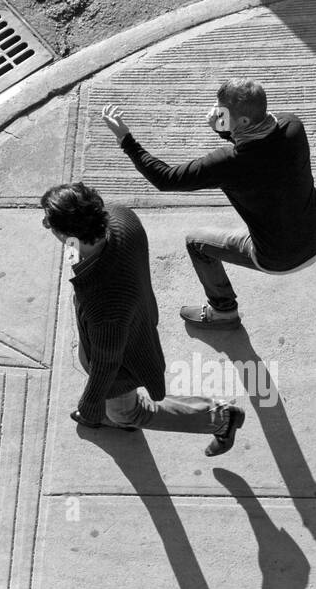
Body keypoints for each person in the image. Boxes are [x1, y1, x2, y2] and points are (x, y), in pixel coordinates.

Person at [100, 78, 316, 331]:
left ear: (242, 122)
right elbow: (260, 150)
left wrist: (125, 138)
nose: (213, 112)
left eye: (221, 112)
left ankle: (223, 311)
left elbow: (165, 179)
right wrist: (223, 127)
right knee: (294, 201)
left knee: (196, 242)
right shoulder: (293, 127)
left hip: (277, 258)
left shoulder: (226, 165)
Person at [41, 182, 245, 455]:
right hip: (134, 314)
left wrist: (91, 404)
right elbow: (77, 257)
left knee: (127, 414)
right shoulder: (121, 217)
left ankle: (220, 418)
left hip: (123, 356)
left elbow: (107, 363)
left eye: (48, 223)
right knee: (117, 405)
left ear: (66, 232)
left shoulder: (103, 301)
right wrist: (75, 261)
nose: (46, 226)